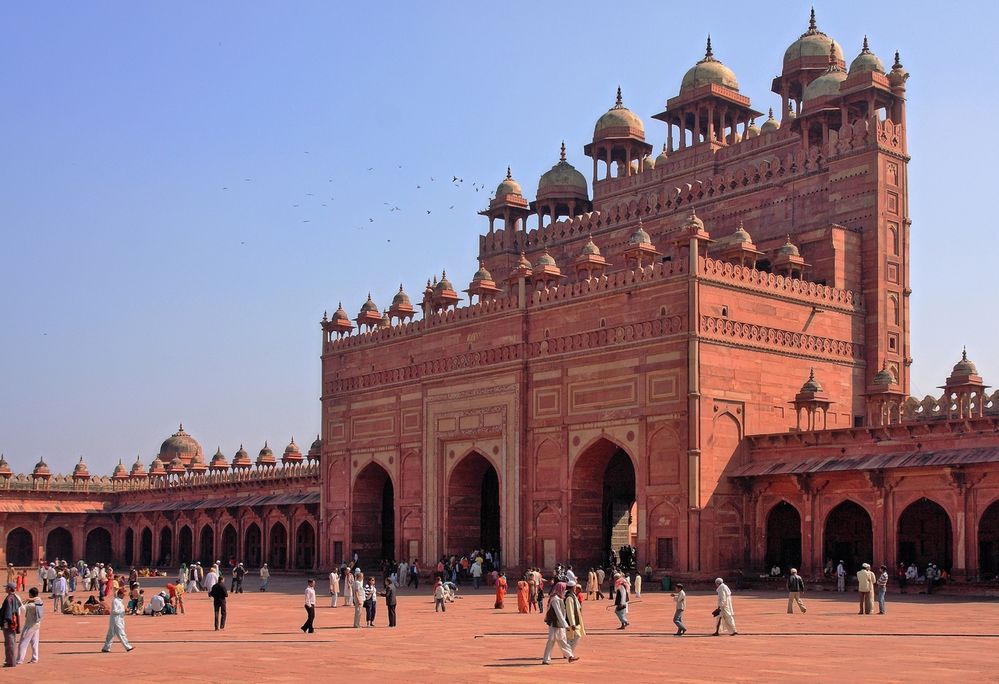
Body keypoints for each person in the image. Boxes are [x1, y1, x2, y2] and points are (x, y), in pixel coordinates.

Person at [541, 582, 578, 665]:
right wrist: (566, 625)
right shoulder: (555, 599)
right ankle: (546, 659)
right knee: (552, 641)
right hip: (555, 624)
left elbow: (562, 613)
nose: (565, 590)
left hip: (559, 624)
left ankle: (570, 656)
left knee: (561, 640)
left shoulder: (560, 598)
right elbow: (558, 613)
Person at [101, 587, 133, 653]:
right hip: (116, 620)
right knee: (121, 633)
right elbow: (114, 611)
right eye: (124, 593)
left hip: (118, 619)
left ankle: (106, 647)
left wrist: (124, 611)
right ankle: (128, 647)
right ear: (120, 594)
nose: (124, 595)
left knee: (110, 634)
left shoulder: (120, 601)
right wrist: (124, 610)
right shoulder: (115, 601)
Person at [16, 587, 42, 665]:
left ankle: (19, 660)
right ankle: (35, 658)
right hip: (37, 624)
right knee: (34, 642)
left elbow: (22, 609)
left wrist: (21, 601)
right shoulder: (39, 601)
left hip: (30, 625)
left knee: (23, 642)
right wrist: (29, 599)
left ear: (30, 594)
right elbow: (37, 598)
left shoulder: (31, 605)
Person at [1, 583, 22, 667]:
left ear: (10, 589)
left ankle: (10, 662)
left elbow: (8, 612)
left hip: (9, 623)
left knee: (9, 643)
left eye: (7, 587)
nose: (5, 589)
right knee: (11, 642)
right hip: (13, 622)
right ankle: (10, 661)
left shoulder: (9, 598)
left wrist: (5, 623)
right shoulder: (15, 597)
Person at [564, 580, 585, 654]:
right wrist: (572, 623)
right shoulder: (569, 597)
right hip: (571, 621)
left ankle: (568, 653)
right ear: (572, 587)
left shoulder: (573, 595)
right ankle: (568, 653)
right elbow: (570, 611)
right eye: (575, 587)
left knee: (571, 637)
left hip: (576, 619)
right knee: (574, 636)